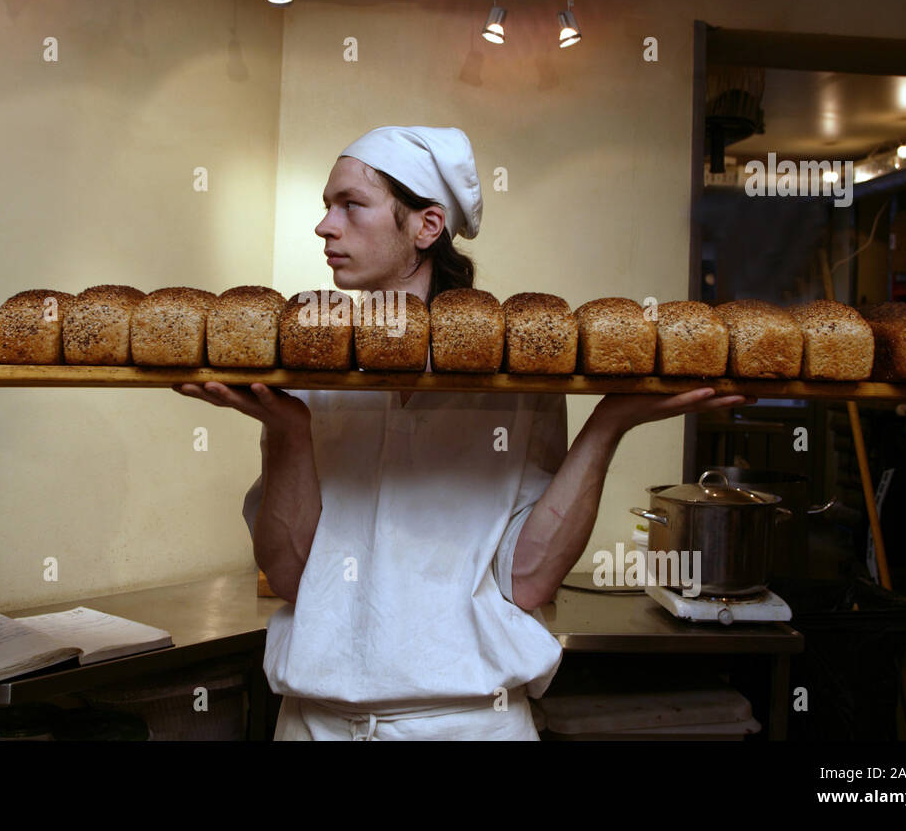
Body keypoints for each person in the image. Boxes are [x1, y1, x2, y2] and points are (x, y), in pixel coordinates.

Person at [173, 125, 749, 740]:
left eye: (350, 205)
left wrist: (609, 423)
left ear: (426, 226)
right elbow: (290, 577)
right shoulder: (307, 365)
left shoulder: (516, 368)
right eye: (325, 207)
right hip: (316, 727)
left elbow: (526, 580)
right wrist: (289, 430)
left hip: (471, 726)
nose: (325, 226)